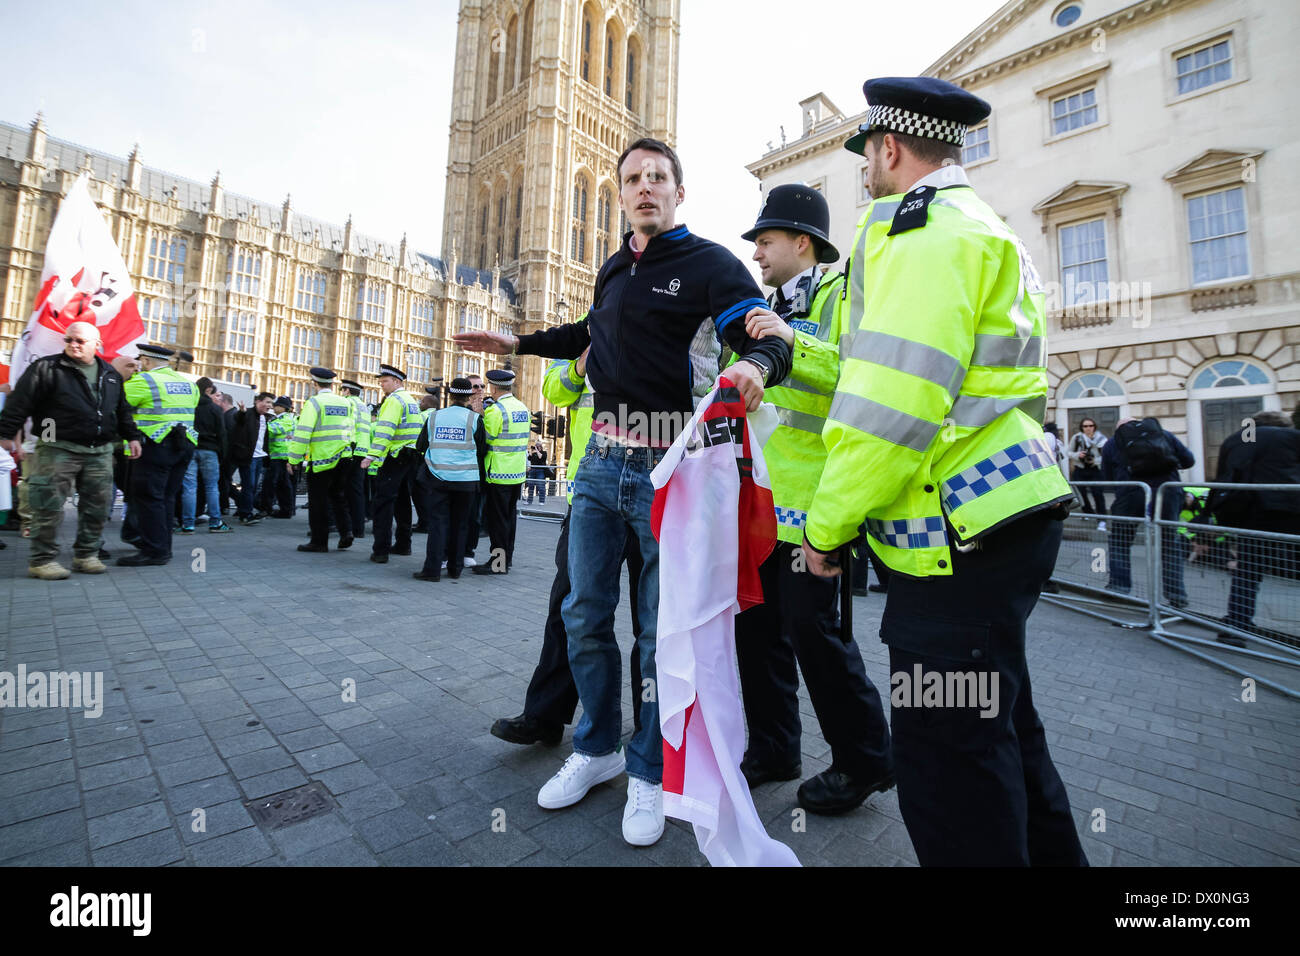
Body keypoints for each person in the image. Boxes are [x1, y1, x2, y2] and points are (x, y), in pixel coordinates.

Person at [453, 136, 791, 847]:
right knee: (581, 613)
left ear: (678, 192)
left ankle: (647, 770)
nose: (645, 188)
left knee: (656, 630)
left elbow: (754, 330)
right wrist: (515, 344)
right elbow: (588, 332)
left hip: (673, 467)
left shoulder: (712, 265)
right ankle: (597, 745)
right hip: (601, 467)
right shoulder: (615, 267)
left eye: (658, 178)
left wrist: (762, 360)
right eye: (633, 178)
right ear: (620, 193)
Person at [800, 77, 1086, 866]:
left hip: (957, 536)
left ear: (889, 149)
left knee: (949, 769)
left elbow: (888, 408)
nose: (864, 174)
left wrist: (827, 529)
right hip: (1007, 514)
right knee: (1006, 738)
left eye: (866, 158)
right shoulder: (980, 225)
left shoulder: (917, 236)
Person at [728, 184, 896, 814]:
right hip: (761, 506)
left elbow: (859, 374)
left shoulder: (841, 294)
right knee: (757, 631)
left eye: (765, 241)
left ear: (803, 243)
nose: (757, 254)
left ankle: (865, 761)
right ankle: (775, 749)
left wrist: (789, 342)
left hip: (817, 508)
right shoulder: (756, 308)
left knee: (813, 633)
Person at [490, 352, 645, 746]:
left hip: (652, 490)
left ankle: (652, 729)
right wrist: (580, 364)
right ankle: (544, 715)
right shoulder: (585, 327)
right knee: (569, 609)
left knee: (652, 619)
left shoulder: (662, 302)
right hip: (588, 492)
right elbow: (553, 389)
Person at [0, 321, 143, 578]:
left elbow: (121, 411)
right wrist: (5, 434)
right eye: (69, 340)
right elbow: (20, 402)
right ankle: (42, 560)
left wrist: (131, 437)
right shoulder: (46, 368)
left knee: (97, 507)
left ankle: (86, 555)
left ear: (97, 345)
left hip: (98, 450)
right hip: (56, 446)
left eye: (80, 341)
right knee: (48, 505)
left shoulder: (109, 373)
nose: (73, 345)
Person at [1210, 410, 1300, 646]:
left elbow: (1223, 477)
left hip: (1248, 510)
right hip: (1290, 510)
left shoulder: (1234, 439)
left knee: (1248, 571)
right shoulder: (1291, 438)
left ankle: (1236, 625)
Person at [117, 343, 198, 566]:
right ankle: (163, 547)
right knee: (167, 498)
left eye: (139, 362)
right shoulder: (187, 383)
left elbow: (116, 403)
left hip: (155, 444)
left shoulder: (144, 381)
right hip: (184, 445)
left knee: (149, 498)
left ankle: (153, 551)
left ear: (145, 361)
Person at [1101, 416, 1194, 607]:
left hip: (1130, 494)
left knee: (1120, 541)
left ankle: (1119, 587)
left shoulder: (1112, 443)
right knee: (1169, 543)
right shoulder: (1164, 435)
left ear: (1119, 430)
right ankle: (1177, 595)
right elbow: (1188, 461)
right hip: (1166, 493)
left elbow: (1106, 477)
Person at [412, 377, 486, 581]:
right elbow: (482, 448)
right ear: (469, 396)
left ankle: (432, 570)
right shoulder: (475, 419)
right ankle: (455, 569)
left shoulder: (435, 417)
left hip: (438, 479)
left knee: (438, 524)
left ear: (450, 395)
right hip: (467, 481)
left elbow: (420, 446)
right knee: (461, 524)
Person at [288, 367, 355, 552]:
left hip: (322, 460)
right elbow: (352, 430)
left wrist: (293, 459)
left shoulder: (314, 403)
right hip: (344, 457)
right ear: (332, 384)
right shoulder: (346, 403)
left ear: (314, 383)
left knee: (318, 501)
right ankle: (346, 532)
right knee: (338, 497)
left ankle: (319, 541)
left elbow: (303, 434)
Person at [471, 368, 530, 574]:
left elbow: (486, 438)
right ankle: (507, 559)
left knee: (497, 522)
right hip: (517, 472)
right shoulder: (522, 407)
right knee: (509, 519)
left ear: (494, 387)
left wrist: (480, 415)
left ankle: (498, 564)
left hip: (498, 472)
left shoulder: (497, 410)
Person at [361, 364, 422, 563]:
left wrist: (371, 456)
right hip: (410, 457)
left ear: (397, 382)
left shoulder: (394, 400)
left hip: (395, 457)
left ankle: (381, 550)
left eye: (385, 381)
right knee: (403, 502)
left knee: (383, 503)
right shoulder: (410, 400)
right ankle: (404, 544)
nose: (382, 385)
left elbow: (385, 430)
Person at [180, 376, 232, 534]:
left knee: (189, 487)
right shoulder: (215, 409)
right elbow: (222, 433)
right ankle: (215, 522)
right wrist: (222, 454)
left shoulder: (189, 406)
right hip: (210, 450)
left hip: (191, 448)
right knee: (211, 487)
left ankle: (188, 524)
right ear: (208, 390)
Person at [228, 391, 274, 525]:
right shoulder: (247, 413)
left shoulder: (265, 417)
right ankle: (246, 514)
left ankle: (243, 509)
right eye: (267, 402)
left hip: (260, 456)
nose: (269, 405)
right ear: (258, 402)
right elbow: (239, 419)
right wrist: (242, 412)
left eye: (271, 403)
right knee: (249, 485)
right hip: (248, 456)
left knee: (252, 486)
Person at [338, 379, 370, 538]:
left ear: (347, 391)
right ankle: (358, 529)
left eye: (342, 390)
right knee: (357, 491)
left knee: (343, 490)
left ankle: (346, 526)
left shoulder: (348, 403)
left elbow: (346, 426)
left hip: (351, 449)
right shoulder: (363, 406)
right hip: (362, 450)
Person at [260, 396, 296, 518]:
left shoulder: (286, 419)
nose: (273, 407)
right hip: (278, 455)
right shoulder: (278, 418)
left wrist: (261, 422)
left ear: (282, 407)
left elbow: (272, 430)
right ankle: (285, 510)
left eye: (276, 405)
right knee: (282, 484)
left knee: (272, 483)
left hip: (281, 456)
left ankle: (268, 507)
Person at [1069, 418, 1108, 518]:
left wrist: (1095, 460)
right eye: (1085, 426)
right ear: (1082, 427)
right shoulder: (1077, 438)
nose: (1088, 428)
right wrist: (1078, 455)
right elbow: (1068, 452)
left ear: (1094, 427)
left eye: (1091, 426)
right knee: (1081, 494)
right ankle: (1088, 512)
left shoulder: (1102, 439)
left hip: (1095, 469)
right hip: (1080, 469)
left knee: (1098, 494)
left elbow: (1107, 456)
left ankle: (1102, 518)